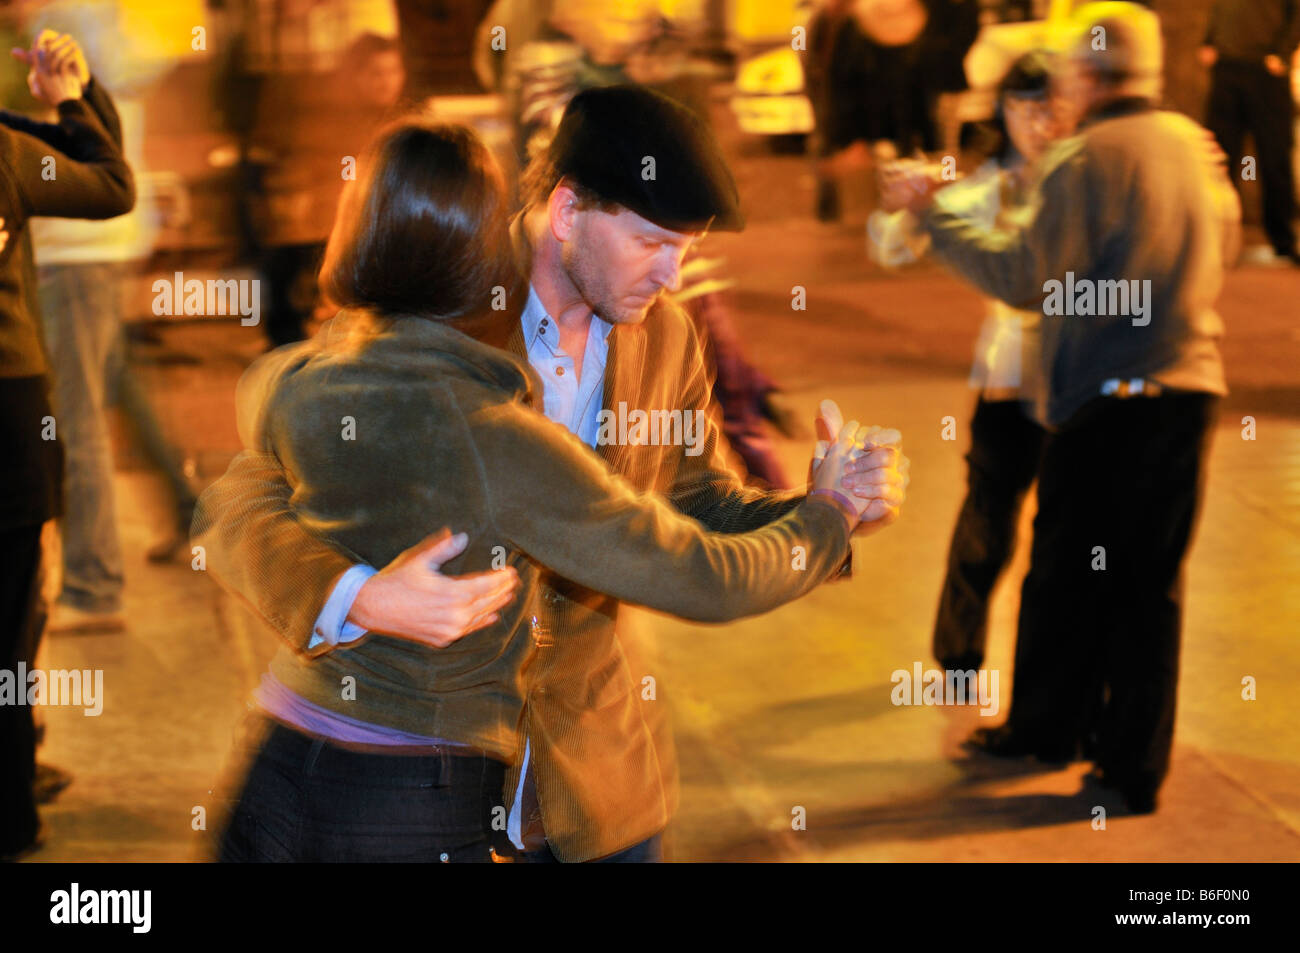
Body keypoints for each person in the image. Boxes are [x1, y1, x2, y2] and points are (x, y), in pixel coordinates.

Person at [196, 84, 909, 862]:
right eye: (652, 243)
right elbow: (245, 493)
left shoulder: (664, 338)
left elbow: (697, 500)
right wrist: (355, 594)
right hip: (415, 774)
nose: (672, 276)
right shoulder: (435, 284)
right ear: (568, 212)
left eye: (688, 251)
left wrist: (825, 508)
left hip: (591, 782)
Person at [882, 2, 1237, 812]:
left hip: (1104, 403)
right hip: (1189, 394)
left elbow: (1027, 281)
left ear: (1087, 74)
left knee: (1066, 574)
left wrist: (931, 217)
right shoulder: (1196, 148)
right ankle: (1131, 762)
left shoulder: (1087, 159)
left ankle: (1046, 727)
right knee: (1150, 585)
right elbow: (1220, 241)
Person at [871, 50, 1061, 673]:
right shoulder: (991, 187)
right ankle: (958, 661)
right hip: (1007, 386)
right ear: (1005, 114)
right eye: (1025, 108)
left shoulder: (1088, 179)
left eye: (1053, 107)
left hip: (1077, 387)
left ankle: (1048, 688)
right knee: (986, 528)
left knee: (1067, 543)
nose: (1042, 123)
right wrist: (904, 202)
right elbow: (896, 247)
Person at [0, 30, 135, 860]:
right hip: (9, 415)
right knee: (11, 621)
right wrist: (70, 98)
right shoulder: (10, 151)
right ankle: (9, 813)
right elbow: (111, 184)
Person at [1201, 0, 1300, 266]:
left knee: (1274, 157)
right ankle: (1214, 240)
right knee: (1219, 156)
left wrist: (1282, 53)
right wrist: (1210, 40)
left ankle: (1283, 241)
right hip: (1227, 67)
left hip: (1265, 71)